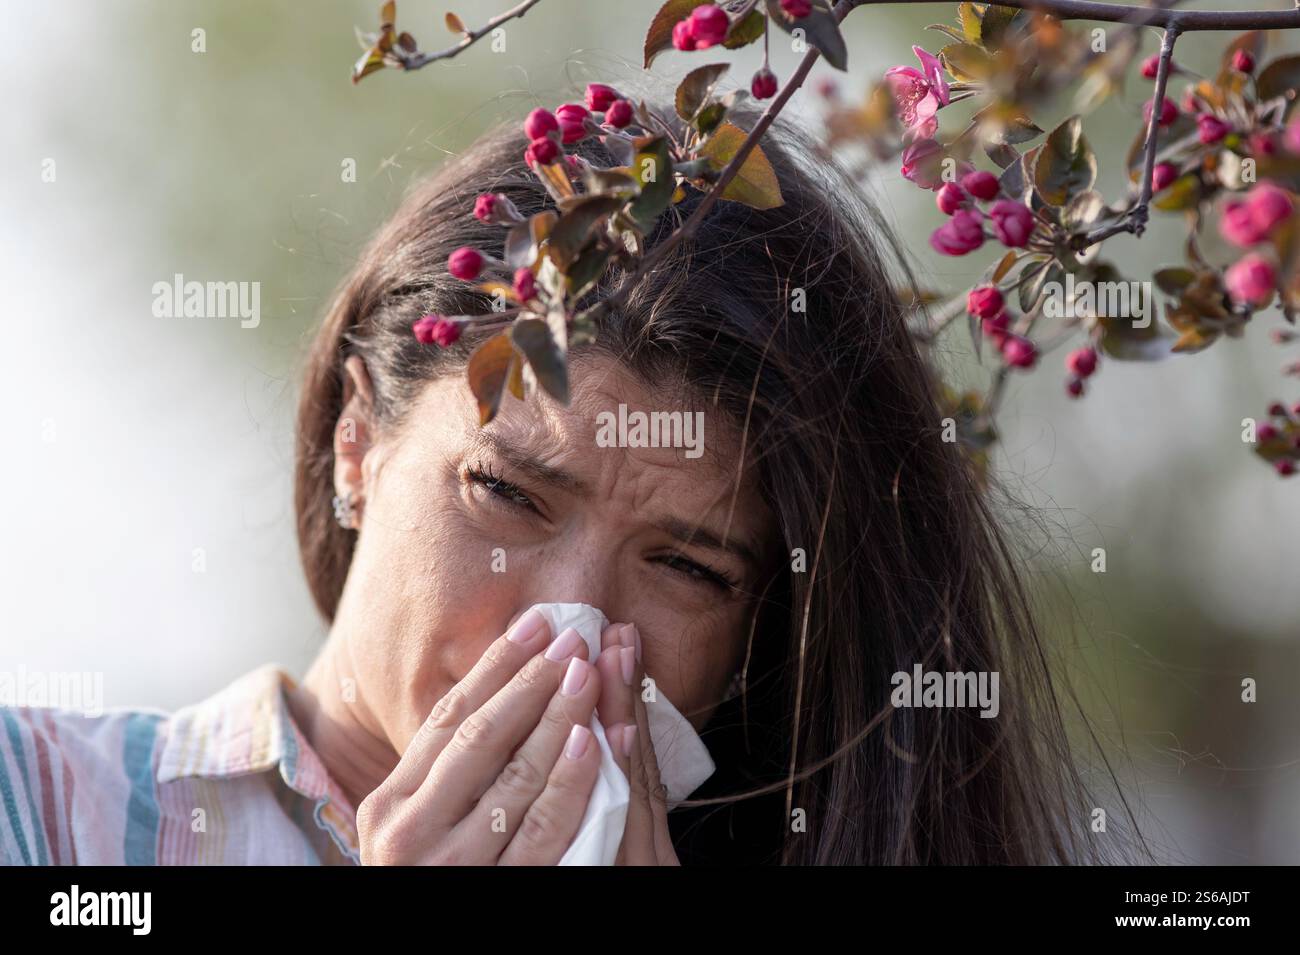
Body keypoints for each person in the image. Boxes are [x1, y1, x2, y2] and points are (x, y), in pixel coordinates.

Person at [0, 106, 1138, 866]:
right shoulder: (44, 811)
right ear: (359, 440)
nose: (574, 622)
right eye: (506, 495)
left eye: (688, 564)